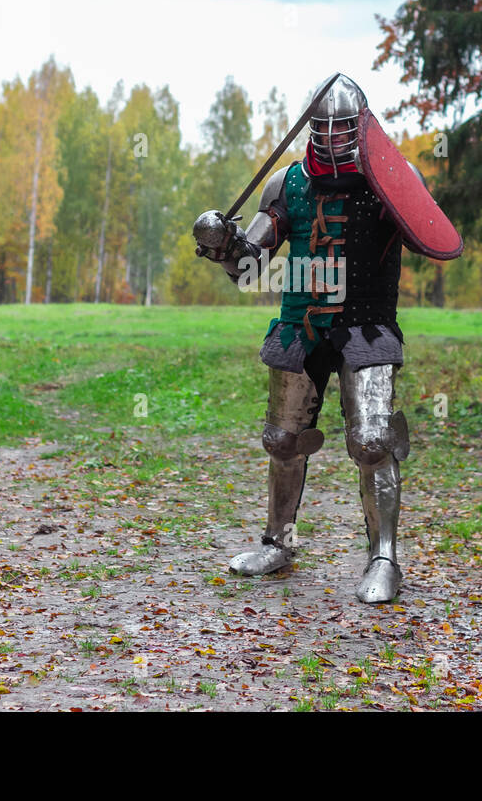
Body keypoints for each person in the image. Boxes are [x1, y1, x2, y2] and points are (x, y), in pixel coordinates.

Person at [192, 73, 454, 603]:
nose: (332, 139)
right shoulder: (286, 184)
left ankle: (384, 558)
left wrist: (403, 188)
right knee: (282, 441)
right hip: (300, 325)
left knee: (372, 442)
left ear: (358, 130)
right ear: (311, 130)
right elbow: (250, 267)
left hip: (366, 326)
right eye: (323, 129)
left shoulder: (388, 182)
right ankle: (278, 543)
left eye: (341, 130)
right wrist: (223, 244)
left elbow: (426, 229)